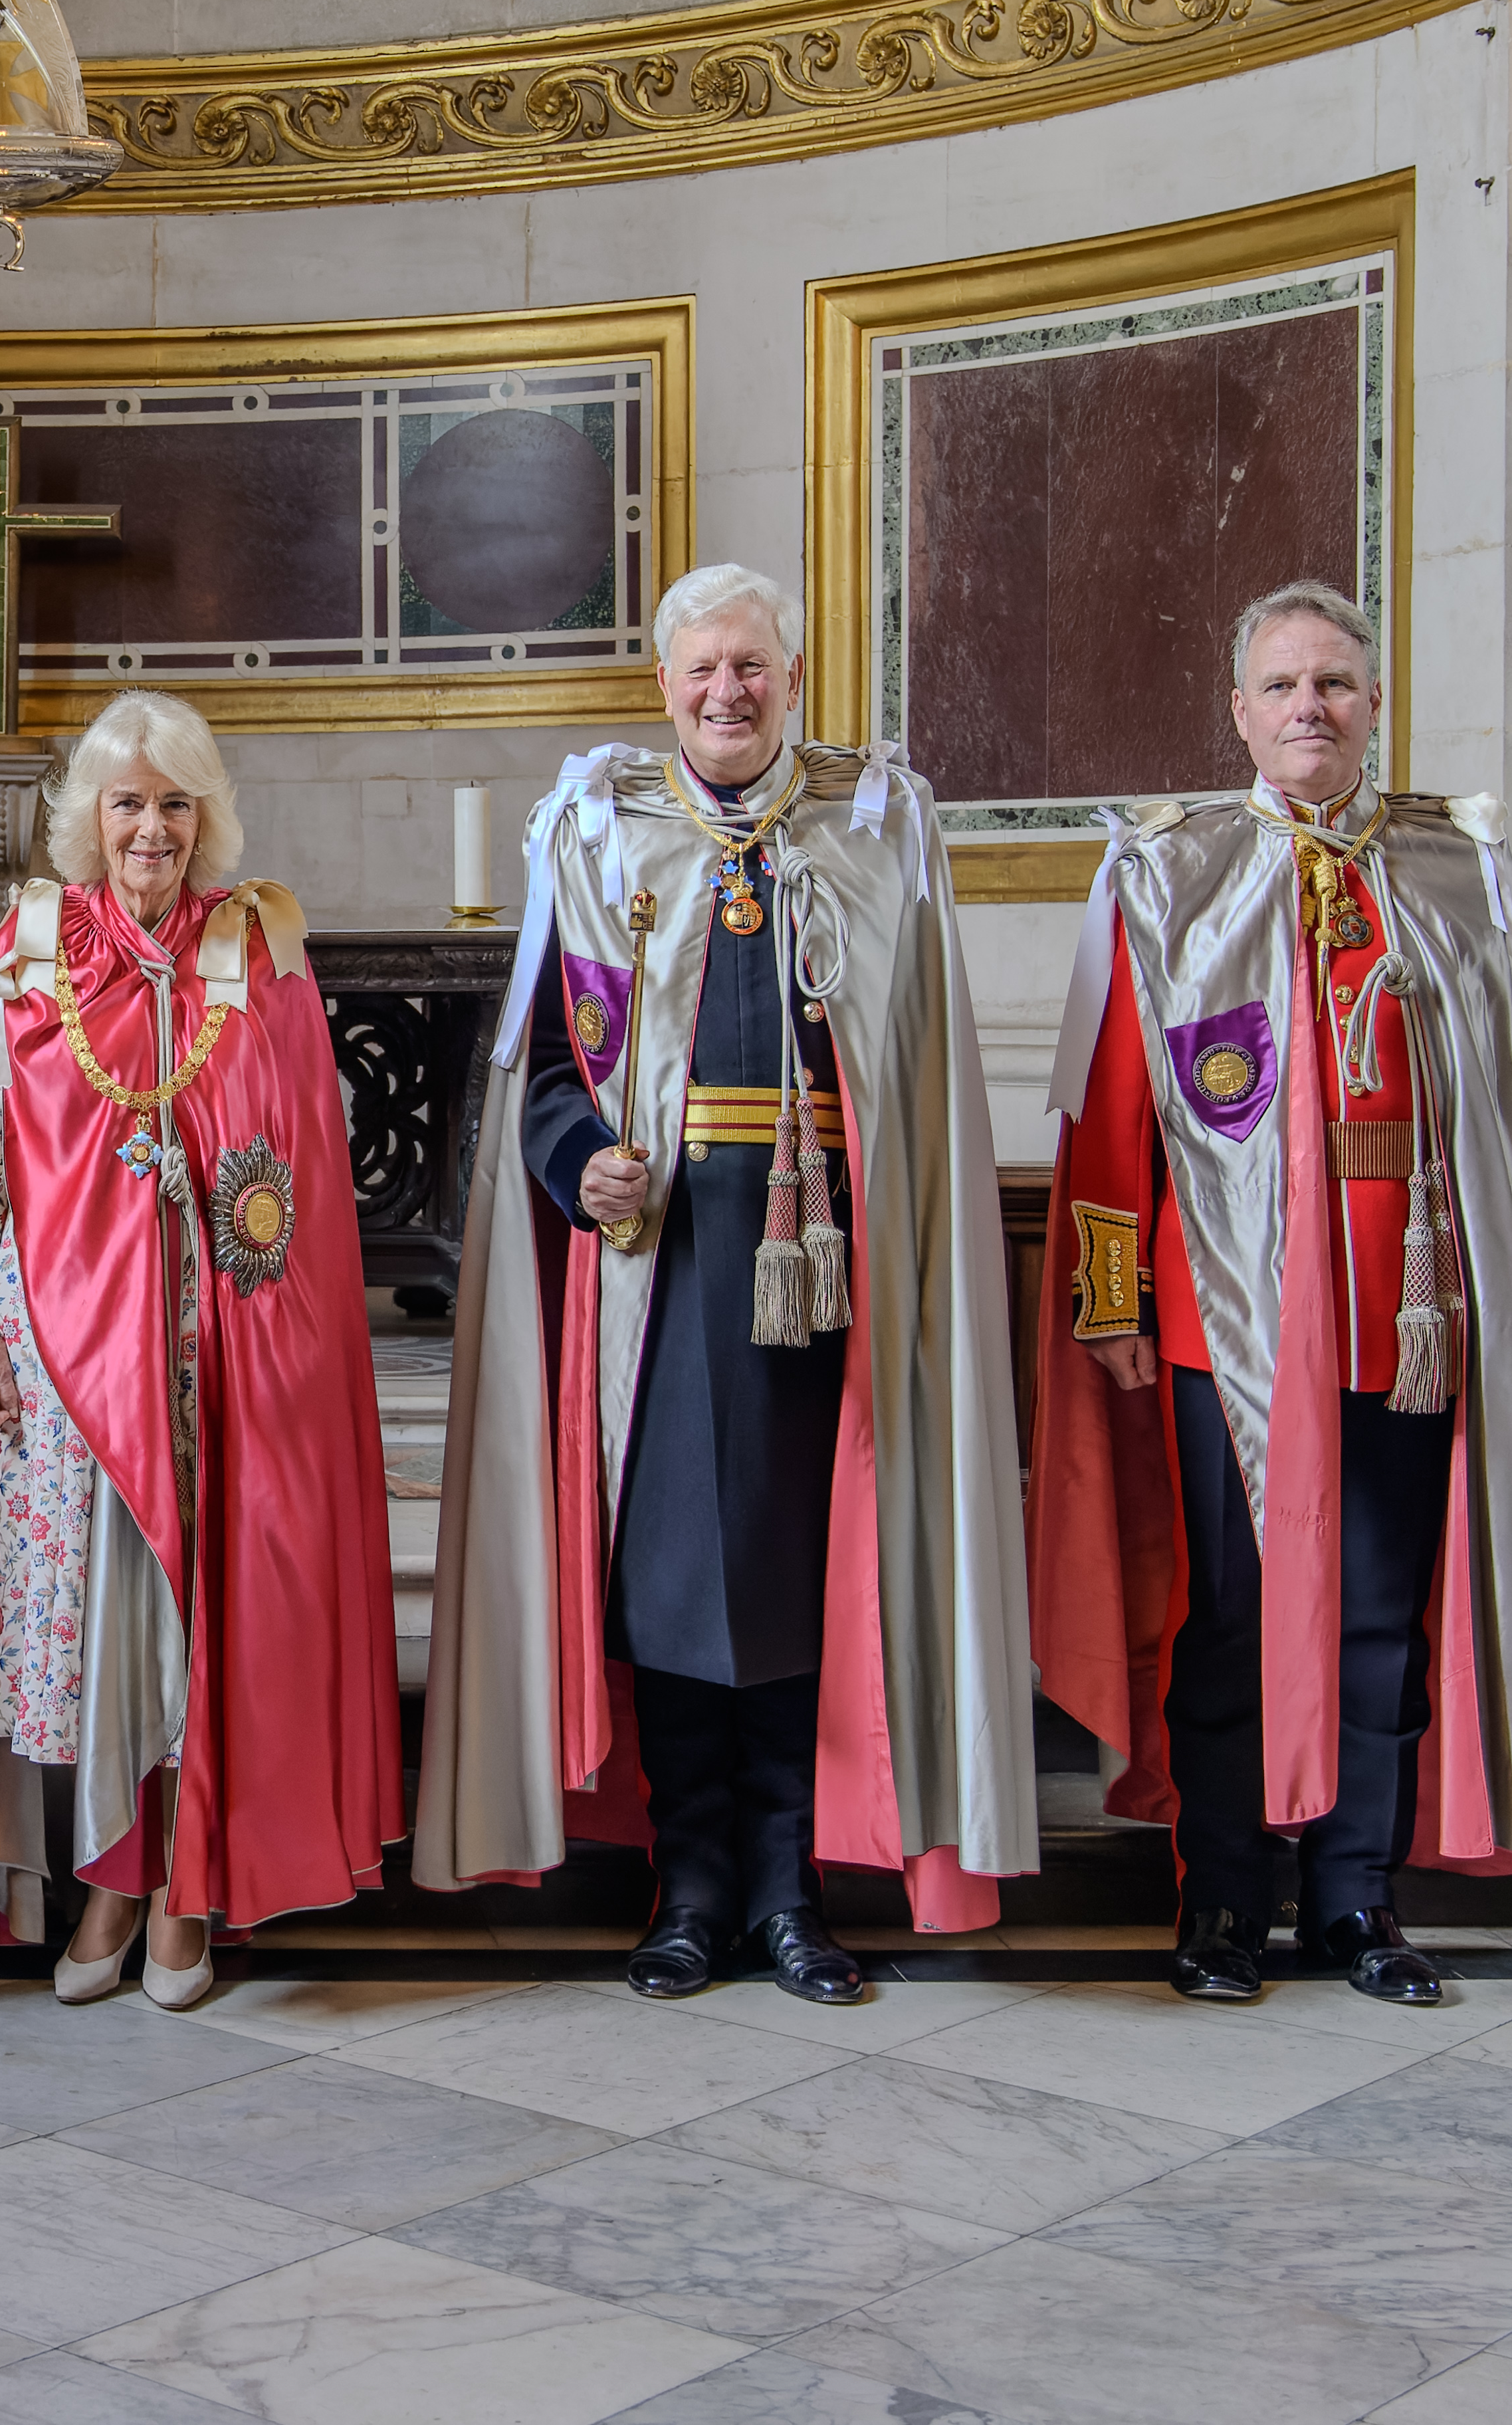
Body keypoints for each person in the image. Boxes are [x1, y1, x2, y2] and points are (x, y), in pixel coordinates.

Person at [1035, 582, 1512, 2006]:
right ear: (1238, 710)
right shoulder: (1168, 871)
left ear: (1373, 704)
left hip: (1412, 1309)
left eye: (1335, 683)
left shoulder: (1458, 871)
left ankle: (1357, 1901)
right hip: (1223, 1311)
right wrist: (1114, 1302)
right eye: (1281, 685)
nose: (1309, 707)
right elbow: (1110, 1110)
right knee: (1232, 1621)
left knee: (1381, 1610)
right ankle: (1222, 1903)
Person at [415, 562, 1037, 2004]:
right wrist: (586, 1167)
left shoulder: (878, 833)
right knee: (681, 1586)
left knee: (813, 1580)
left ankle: (791, 1889)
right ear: (663, 687)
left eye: (751, 665)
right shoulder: (601, 837)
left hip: (834, 1272)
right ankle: (690, 1887)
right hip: (668, 1274)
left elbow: (924, 1064)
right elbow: (549, 1075)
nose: (726, 692)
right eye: (701, 669)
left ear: (793, 677)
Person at [0, 692, 399, 2007]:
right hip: (63, 1351)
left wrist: (291, 1343)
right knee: (101, 1622)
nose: (152, 827)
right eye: (129, 801)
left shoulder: (258, 945)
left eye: (176, 802)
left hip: (218, 1347)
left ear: (206, 816)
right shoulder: (30, 948)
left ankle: (191, 1884)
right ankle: (112, 1876)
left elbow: (303, 1163)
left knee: (200, 1609)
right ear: (89, 814)